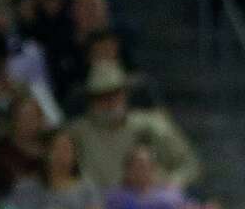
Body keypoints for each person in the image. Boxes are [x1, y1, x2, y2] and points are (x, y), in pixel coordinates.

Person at [68, 60, 201, 189]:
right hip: (99, 205)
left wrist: (171, 184)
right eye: (102, 96)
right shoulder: (77, 132)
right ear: (91, 100)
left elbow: (189, 165)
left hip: (151, 203)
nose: (110, 101)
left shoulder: (153, 125)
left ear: (125, 93)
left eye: (115, 93)